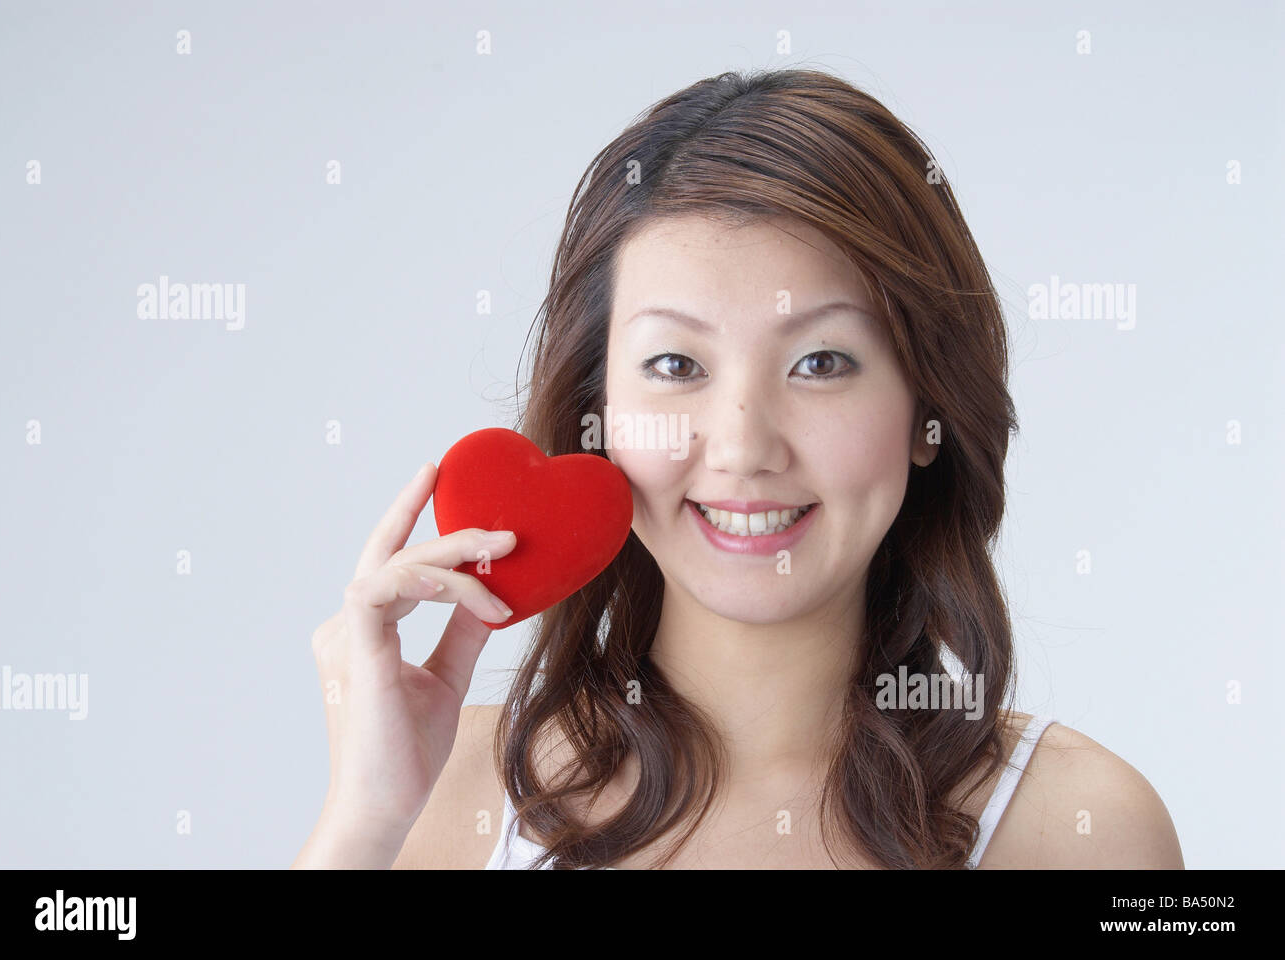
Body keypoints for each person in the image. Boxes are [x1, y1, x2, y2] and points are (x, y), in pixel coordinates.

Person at [293, 68, 1183, 869]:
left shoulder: (1085, 830)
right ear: (593, 418)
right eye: (676, 366)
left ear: (929, 412)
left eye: (821, 362)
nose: (744, 446)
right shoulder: (448, 800)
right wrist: (366, 821)